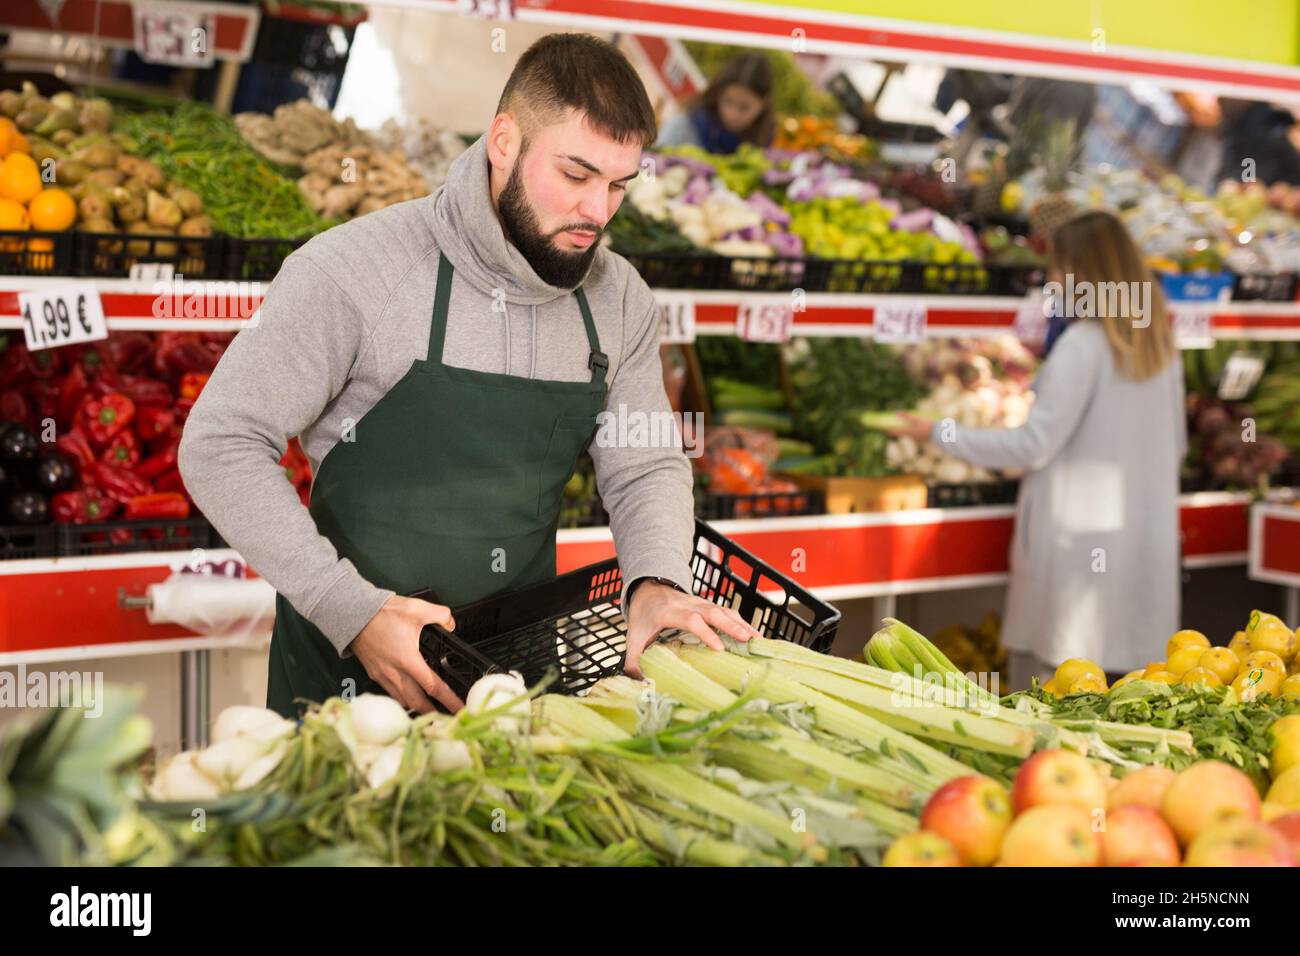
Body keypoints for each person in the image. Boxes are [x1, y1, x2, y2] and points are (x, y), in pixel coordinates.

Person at [179, 33, 760, 718]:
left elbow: (645, 463)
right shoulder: (352, 270)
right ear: (504, 141)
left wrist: (656, 581)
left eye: (618, 186)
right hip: (346, 691)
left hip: (519, 686)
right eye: (575, 176)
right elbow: (220, 442)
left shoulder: (618, 297)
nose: (598, 213)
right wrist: (350, 609)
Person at [891, 210, 1186, 689]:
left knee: (1051, 698)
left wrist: (939, 433)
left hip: (1071, 555)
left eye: (1057, 268)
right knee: (1134, 702)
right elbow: (1177, 447)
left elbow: (1031, 446)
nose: (1051, 282)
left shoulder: (1082, 346)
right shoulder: (1160, 348)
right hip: (1139, 560)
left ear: (1082, 273)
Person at [655, 51, 775, 153]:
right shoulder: (682, 128)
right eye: (728, 102)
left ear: (763, 103)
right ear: (718, 93)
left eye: (744, 107)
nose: (733, 114)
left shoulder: (764, 145)